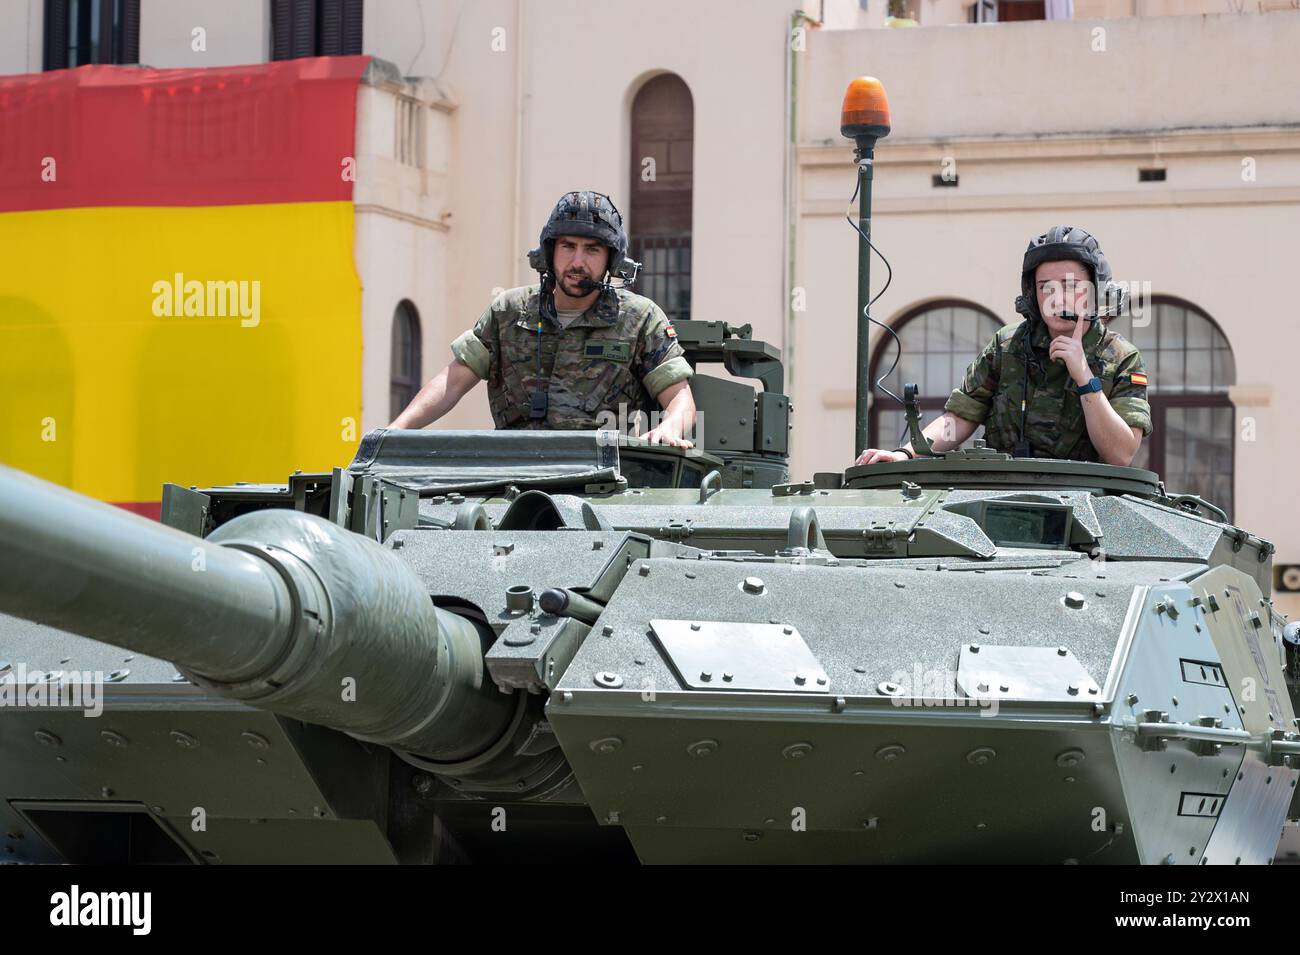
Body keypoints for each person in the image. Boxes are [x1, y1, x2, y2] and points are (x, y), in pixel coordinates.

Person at [389, 191, 696, 447]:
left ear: (611, 260)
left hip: (602, 484)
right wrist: (395, 433)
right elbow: (453, 381)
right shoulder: (509, 310)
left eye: (592, 249)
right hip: (512, 476)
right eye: (568, 246)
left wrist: (669, 427)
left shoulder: (639, 319)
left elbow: (680, 399)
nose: (577, 262)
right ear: (549, 252)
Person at [856, 226, 1151, 466]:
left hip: (1089, 507)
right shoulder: (1008, 345)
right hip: (1003, 500)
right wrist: (905, 453)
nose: (1057, 297)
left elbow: (1121, 453)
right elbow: (960, 417)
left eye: (1071, 285)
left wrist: (1085, 379)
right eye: (1045, 287)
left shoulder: (1120, 358)